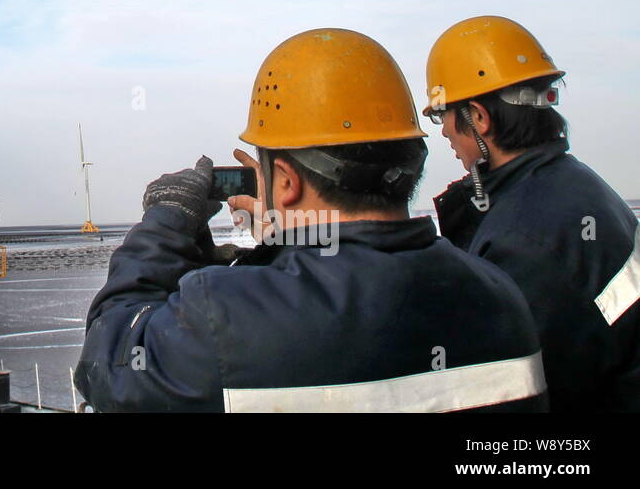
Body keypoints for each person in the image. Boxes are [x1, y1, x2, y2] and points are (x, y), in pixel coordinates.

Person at [75, 28, 547, 412]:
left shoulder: (221, 315)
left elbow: (108, 362)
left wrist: (166, 223)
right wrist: (275, 249)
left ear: (284, 180)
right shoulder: (499, 293)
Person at [425, 15, 640, 411]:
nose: (442, 133)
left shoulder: (525, 242)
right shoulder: (574, 184)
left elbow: (518, 395)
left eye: (442, 116)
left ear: (479, 118)